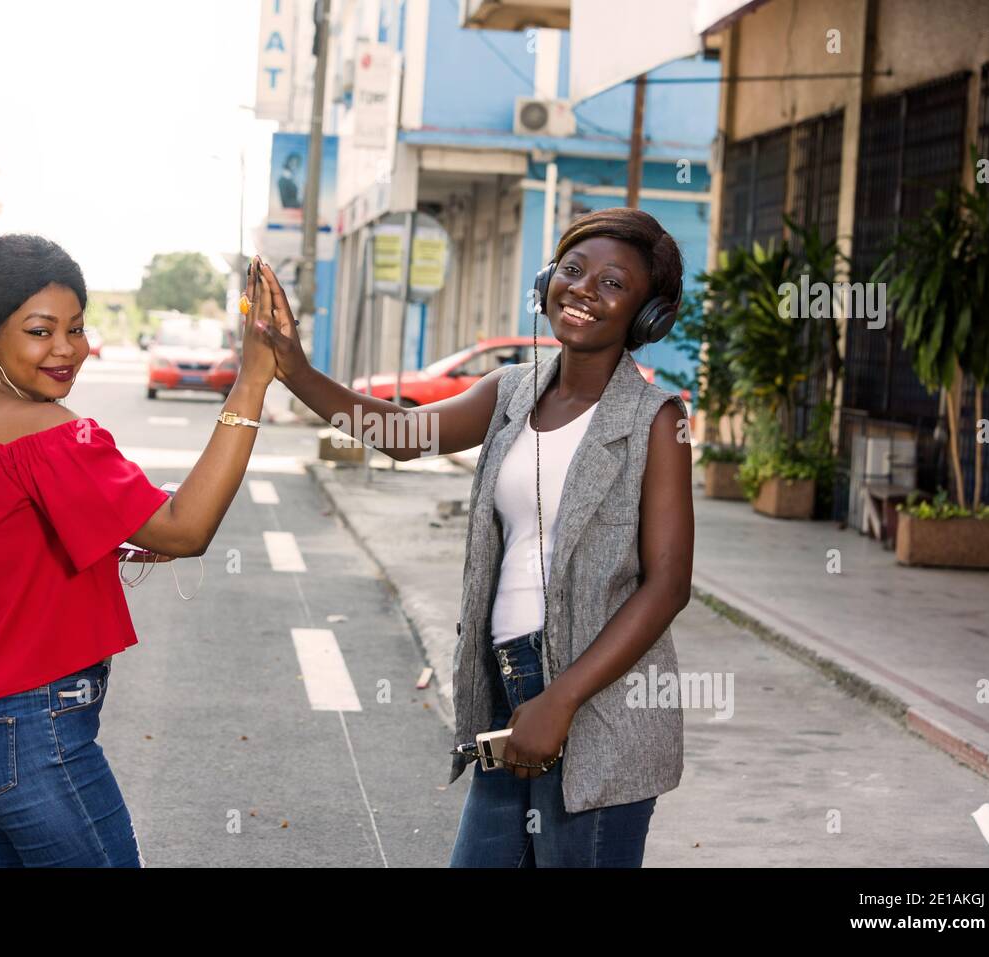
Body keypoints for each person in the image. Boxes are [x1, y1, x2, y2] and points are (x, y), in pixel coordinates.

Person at [252, 208, 694, 867]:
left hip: (598, 708)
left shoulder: (658, 421)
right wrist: (297, 372)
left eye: (611, 283)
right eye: (572, 271)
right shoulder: (510, 390)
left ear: (646, 315)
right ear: (547, 279)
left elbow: (668, 585)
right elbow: (404, 438)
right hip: (507, 687)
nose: (581, 289)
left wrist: (563, 696)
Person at [0, 234, 278, 866]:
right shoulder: (47, 432)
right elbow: (186, 529)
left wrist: (110, 543)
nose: (68, 349)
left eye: (76, 328)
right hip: (30, 733)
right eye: (41, 330)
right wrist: (252, 382)